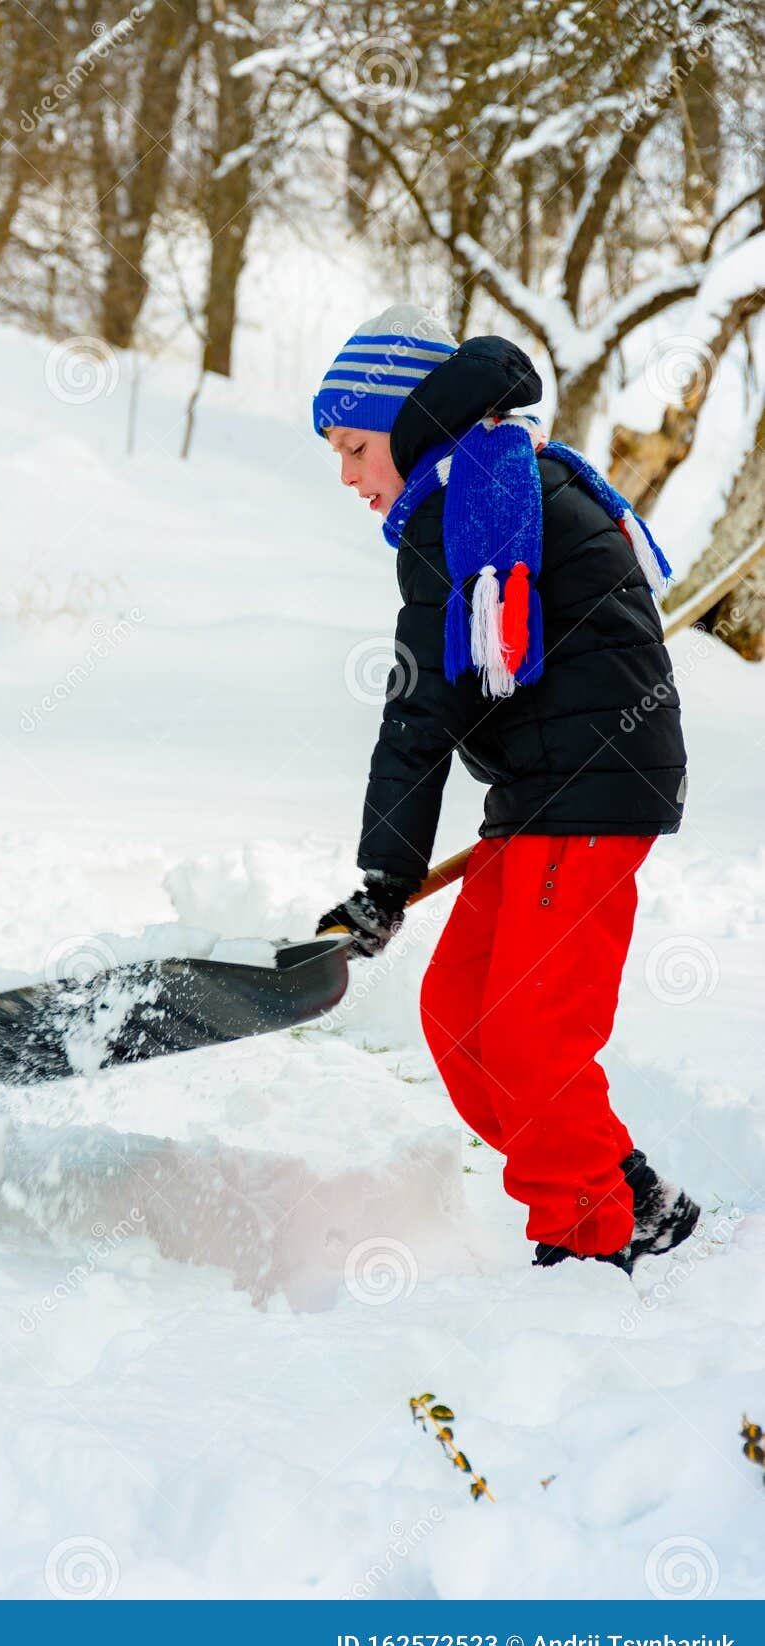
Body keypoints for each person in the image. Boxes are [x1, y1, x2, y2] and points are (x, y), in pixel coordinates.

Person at [313, 305, 700, 1273]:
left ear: (408, 423)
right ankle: (625, 1191)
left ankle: (587, 1237)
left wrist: (383, 878)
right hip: (542, 792)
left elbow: (420, 711)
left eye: (356, 447)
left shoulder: (470, 498)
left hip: (588, 793)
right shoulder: (489, 478)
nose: (348, 477)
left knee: (528, 1033)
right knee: (460, 1016)